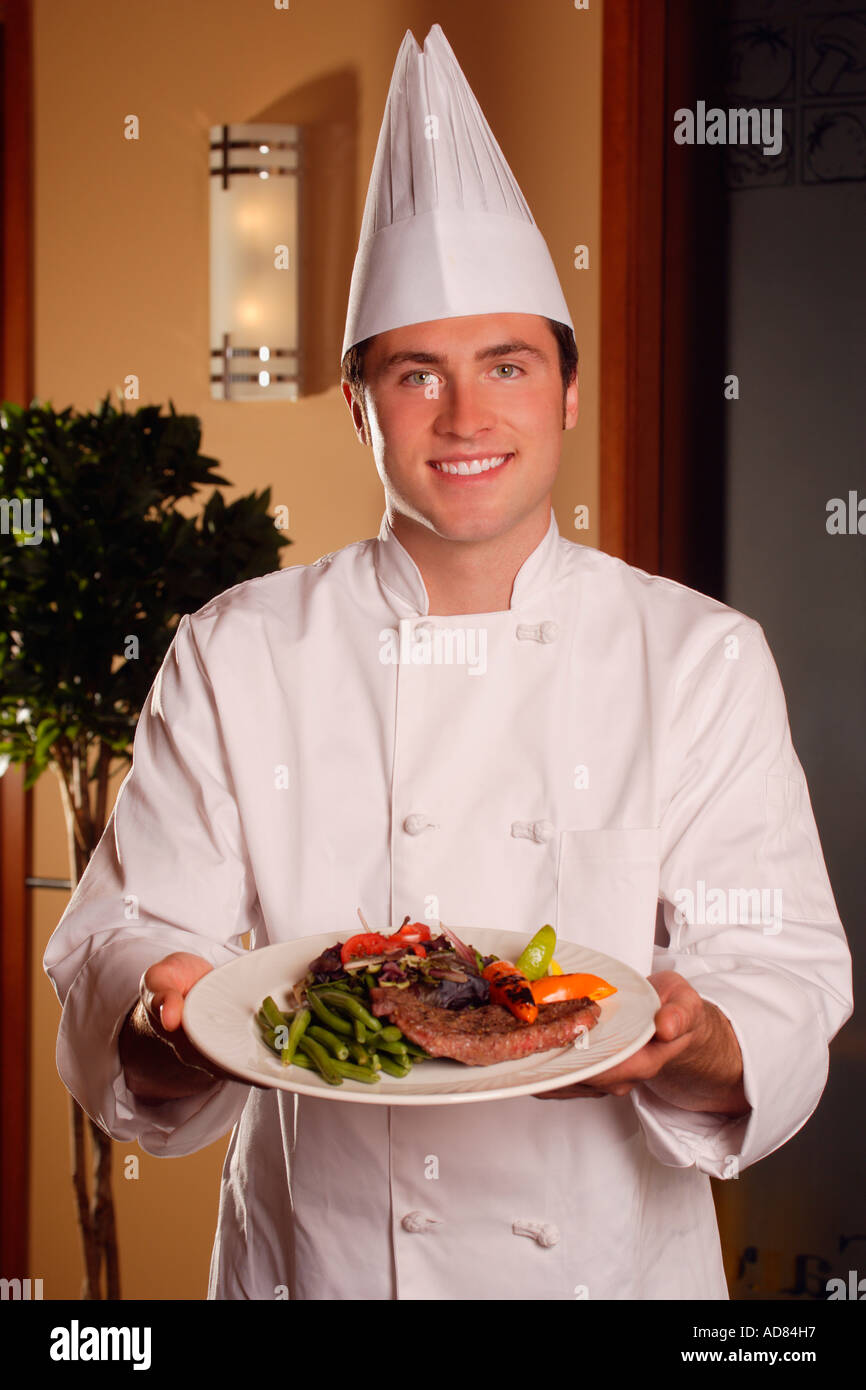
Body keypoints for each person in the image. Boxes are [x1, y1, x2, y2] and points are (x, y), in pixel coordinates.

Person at [44, 24, 852, 1301]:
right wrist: (161, 1002)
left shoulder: (696, 655)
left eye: (506, 367)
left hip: (606, 1270)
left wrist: (691, 1037)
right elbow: (121, 938)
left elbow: (783, 965)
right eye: (417, 375)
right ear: (358, 405)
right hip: (315, 1268)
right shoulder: (233, 649)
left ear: (566, 394)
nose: (466, 418)